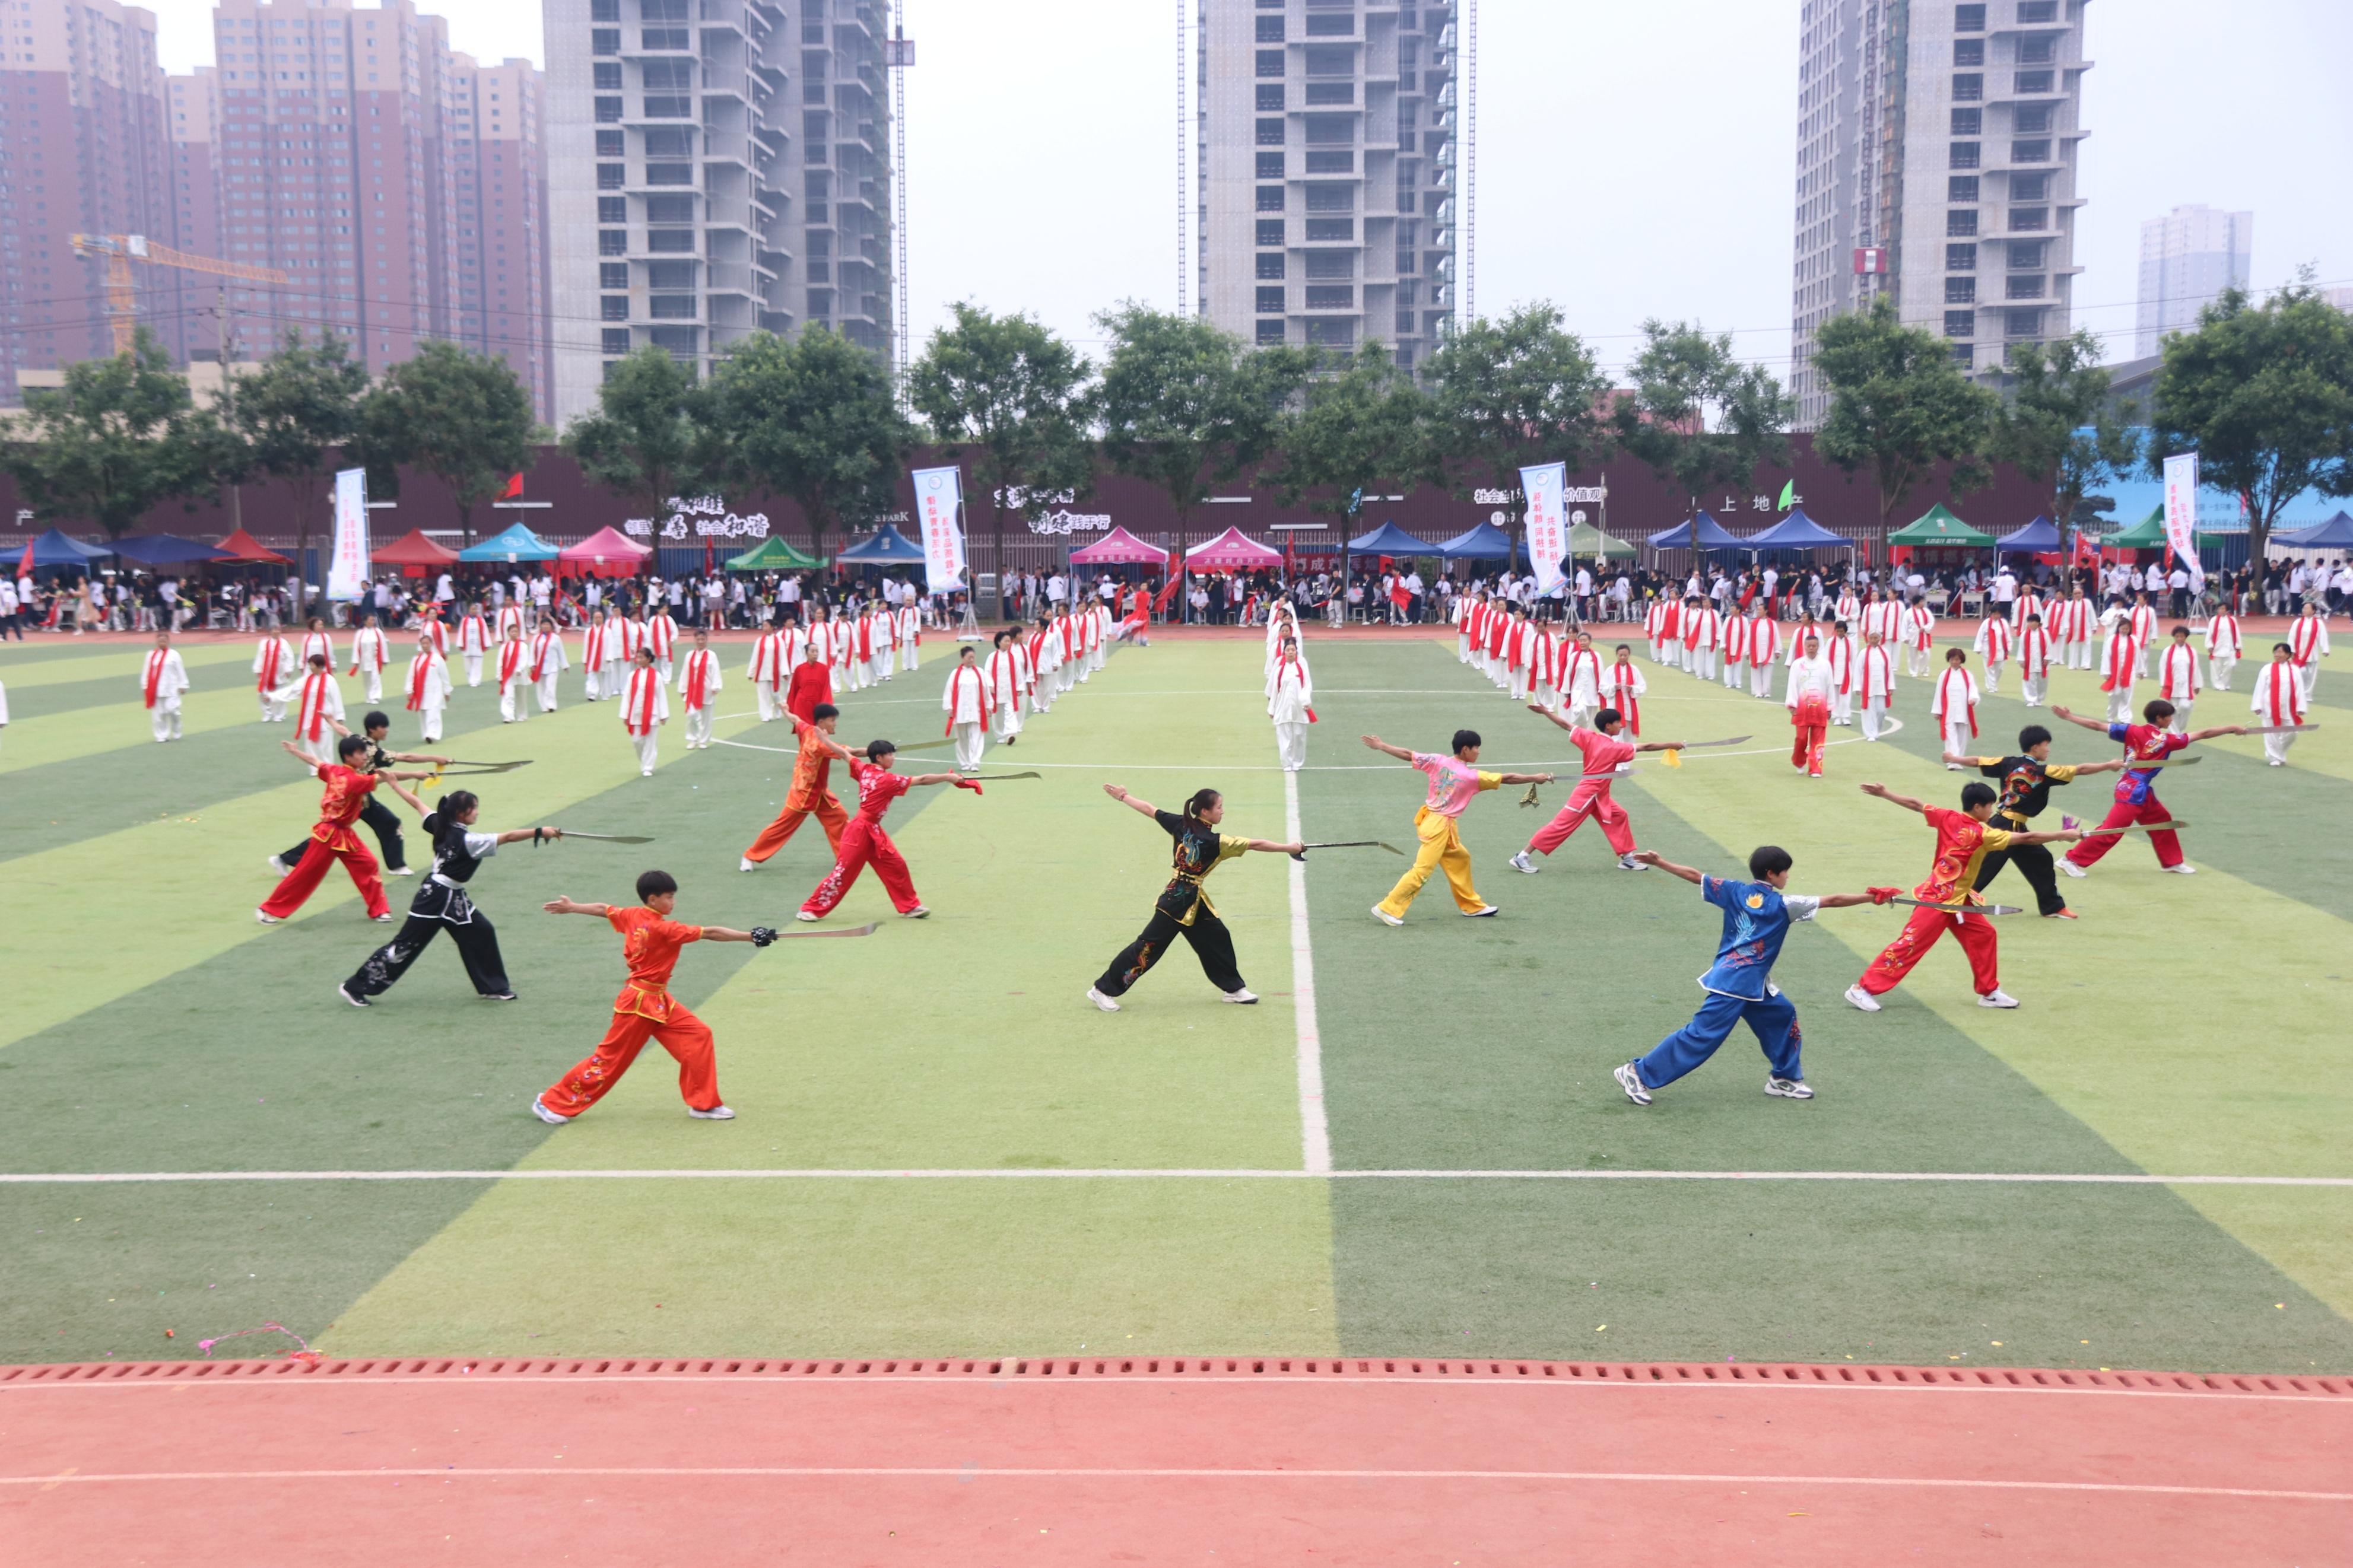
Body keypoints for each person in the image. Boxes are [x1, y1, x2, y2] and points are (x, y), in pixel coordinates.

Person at [1612, 845, 1887, 1106]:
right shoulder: (1785, 905)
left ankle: (1784, 1078)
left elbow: (1696, 877)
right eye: (1785, 871)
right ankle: (1636, 1073)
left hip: (1751, 984)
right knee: (1702, 1036)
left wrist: (1661, 863)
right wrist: (1871, 897)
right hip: (1735, 985)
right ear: (1771, 874)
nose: (1788, 876)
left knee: (1782, 1015)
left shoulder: (1734, 891)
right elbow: (1833, 900)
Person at [532, 870, 777, 1124]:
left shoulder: (632, 915)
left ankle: (703, 1104)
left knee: (697, 1035)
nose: (674, 902)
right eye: (670, 897)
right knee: (609, 1060)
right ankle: (551, 1102)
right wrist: (751, 936)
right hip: (638, 1005)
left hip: (657, 1000)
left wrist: (573, 907)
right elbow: (712, 933)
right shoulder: (665, 928)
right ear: (653, 900)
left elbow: (604, 909)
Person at [1841, 780, 2084, 1013]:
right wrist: (2062, 835)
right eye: (1989, 806)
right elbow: (2027, 839)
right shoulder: (1984, 834)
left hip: (1960, 901)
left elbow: (1917, 805)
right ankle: (1862, 989)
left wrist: (1885, 793)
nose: (1992, 810)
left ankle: (1989, 992)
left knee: (1984, 935)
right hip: (1936, 900)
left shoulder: (1947, 817)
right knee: (1911, 944)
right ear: (1978, 807)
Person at [1085, 784, 1304, 1012]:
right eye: (1219, 807)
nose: (1223, 811)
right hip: (1175, 904)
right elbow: (1257, 844)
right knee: (1148, 947)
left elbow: (1150, 809)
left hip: (1192, 900)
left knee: (1218, 937)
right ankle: (1102, 990)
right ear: (1205, 812)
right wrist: (1290, 848)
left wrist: (1124, 796)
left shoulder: (1181, 824)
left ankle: (1233, 989)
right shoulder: (1215, 842)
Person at [340, 791, 558, 1007]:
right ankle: (354, 987)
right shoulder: (470, 840)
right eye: (474, 808)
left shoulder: (441, 824)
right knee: (403, 947)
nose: (477, 813)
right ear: (462, 813)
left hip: (451, 897)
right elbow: (509, 837)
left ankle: (494, 988)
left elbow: (417, 803)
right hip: (434, 898)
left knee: (482, 931)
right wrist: (540, 831)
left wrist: (393, 784)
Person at [1363, 730, 1556, 924]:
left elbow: (1408, 754)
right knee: (1422, 870)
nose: (1479, 752)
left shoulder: (1437, 760)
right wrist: (1535, 777)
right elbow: (1509, 778)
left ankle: (1472, 906)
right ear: (1465, 750)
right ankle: (1387, 908)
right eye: (1476, 748)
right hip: (1440, 826)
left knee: (1460, 858)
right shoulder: (1470, 777)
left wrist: (1382, 746)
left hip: (1434, 820)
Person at [1947, 724, 2126, 920]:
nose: (2048, 749)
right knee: (1984, 867)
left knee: (2041, 859)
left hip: (2009, 823)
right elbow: (2081, 770)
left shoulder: (2008, 762)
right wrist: (2108, 765)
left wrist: (1954, 759)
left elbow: (1976, 761)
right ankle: (1952, 904)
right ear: (2035, 748)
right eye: (2045, 745)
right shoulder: (2044, 772)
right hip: (2004, 826)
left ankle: (2052, 907)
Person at [2051, 701, 2245, 878]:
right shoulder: (2166, 740)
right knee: (2112, 830)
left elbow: (2097, 726)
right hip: (2133, 792)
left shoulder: (2131, 730)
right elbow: (2204, 734)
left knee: (2162, 821)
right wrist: (2232, 728)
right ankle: (2071, 860)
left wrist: (2069, 717)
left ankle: (2172, 862)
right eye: (2169, 717)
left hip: (2136, 788)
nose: (2171, 720)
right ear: (2159, 718)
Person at [256, 734, 432, 925]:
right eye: (360, 753)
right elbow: (389, 778)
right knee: (305, 875)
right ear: (348, 757)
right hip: (328, 835)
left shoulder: (334, 771)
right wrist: (416, 775)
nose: (365, 756)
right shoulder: (355, 781)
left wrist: (295, 751)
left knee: (369, 864)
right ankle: (267, 910)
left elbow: (315, 761)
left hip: (343, 833)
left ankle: (379, 911)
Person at [797, 738, 979, 921]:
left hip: (872, 829)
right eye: (890, 755)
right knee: (843, 872)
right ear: (879, 757)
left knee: (895, 865)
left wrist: (823, 738)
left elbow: (845, 754)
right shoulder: (887, 780)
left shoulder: (864, 769)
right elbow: (923, 780)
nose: (893, 758)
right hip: (860, 831)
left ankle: (911, 906)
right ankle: (810, 909)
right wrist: (949, 777)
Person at [270, 708, 449, 880]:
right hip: (358, 799)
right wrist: (433, 761)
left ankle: (285, 858)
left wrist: (331, 720)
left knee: (341, 833)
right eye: (383, 727)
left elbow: (343, 731)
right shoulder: (375, 753)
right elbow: (405, 760)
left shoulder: (357, 741)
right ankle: (397, 866)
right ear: (373, 729)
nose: (387, 730)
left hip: (358, 796)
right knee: (380, 825)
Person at [1510, 706, 1685, 874]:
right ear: (1609, 726)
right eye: (1618, 722)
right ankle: (1522, 857)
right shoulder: (1615, 748)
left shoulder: (1590, 737)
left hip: (1599, 796)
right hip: (1587, 795)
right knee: (1560, 826)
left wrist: (1546, 712)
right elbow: (1646, 747)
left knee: (1619, 815)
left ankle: (1627, 858)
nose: (1621, 725)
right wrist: (1672, 744)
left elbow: (1566, 725)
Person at [740, 702, 852, 871]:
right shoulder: (822, 745)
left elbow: (795, 719)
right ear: (822, 723)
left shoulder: (807, 729)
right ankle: (750, 856)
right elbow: (850, 753)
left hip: (820, 792)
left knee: (839, 817)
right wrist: (874, 751)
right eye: (832, 720)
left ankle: (846, 859)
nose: (835, 723)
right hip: (803, 794)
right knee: (781, 828)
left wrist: (785, 710)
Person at [1784, 631, 1838, 777]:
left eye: (1814, 646)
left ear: (1818, 646)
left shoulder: (1825, 665)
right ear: (1804, 646)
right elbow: (1792, 685)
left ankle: (1815, 768)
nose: (1811, 649)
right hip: (1802, 707)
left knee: (1818, 739)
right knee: (1801, 738)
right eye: (1809, 646)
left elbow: (1829, 686)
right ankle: (1799, 760)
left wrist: (1830, 707)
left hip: (1820, 708)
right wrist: (1792, 705)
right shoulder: (1798, 665)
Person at [282, 652, 346, 764]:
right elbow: (291, 691)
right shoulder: (306, 680)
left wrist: (339, 719)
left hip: (325, 721)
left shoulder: (330, 680)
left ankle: (328, 767)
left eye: (312, 665)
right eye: (310, 665)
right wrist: (272, 697)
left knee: (326, 748)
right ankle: (314, 768)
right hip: (310, 719)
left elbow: (337, 699)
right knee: (311, 747)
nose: (311, 668)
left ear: (320, 666)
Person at [2250, 642, 2305, 766]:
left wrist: (2301, 707)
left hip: (2288, 707)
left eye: (2281, 652)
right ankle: (2274, 758)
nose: (2278, 655)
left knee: (2292, 733)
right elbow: (2260, 688)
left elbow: (2299, 689)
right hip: (2269, 706)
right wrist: (2257, 705)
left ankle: (2280, 752)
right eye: (2276, 652)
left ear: (2288, 655)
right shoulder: (2267, 669)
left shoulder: (2295, 671)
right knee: (2271, 733)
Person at [620, 646, 669, 777]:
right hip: (636, 713)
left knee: (650, 741)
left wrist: (663, 714)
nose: (639, 660)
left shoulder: (656, 676)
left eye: (642, 657)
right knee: (637, 740)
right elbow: (628, 695)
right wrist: (625, 714)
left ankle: (648, 766)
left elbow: (661, 695)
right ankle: (645, 761)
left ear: (649, 659)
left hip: (651, 713)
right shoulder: (632, 675)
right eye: (638, 657)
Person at [942, 644, 991, 774]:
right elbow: (949, 691)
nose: (972, 660)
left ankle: (975, 762)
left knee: (976, 737)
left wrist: (989, 706)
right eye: (969, 657)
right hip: (960, 711)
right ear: (963, 658)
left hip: (977, 711)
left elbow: (985, 690)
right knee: (961, 738)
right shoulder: (955, 674)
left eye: (973, 657)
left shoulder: (980, 672)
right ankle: (964, 762)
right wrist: (949, 707)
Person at [1268, 633, 1314, 772]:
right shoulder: (1279, 671)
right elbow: (1275, 691)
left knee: (1299, 736)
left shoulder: (1301, 669)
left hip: (1299, 708)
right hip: (1283, 707)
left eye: (1293, 650)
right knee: (1284, 737)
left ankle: (1297, 762)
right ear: (1284, 652)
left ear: (1296, 652)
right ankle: (1286, 763)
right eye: (1288, 650)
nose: (1290, 652)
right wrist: (1272, 709)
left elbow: (1307, 686)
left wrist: (1306, 701)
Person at [1930, 647, 1981, 769]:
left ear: (1961, 660)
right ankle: (1952, 761)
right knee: (1950, 736)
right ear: (1949, 660)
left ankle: (1960, 760)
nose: (1954, 662)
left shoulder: (1967, 675)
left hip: (1963, 710)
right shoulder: (1944, 675)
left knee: (1962, 736)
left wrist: (1973, 699)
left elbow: (1973, 689)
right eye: (1952, 659)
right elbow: (1939, 693)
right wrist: (1937, 711)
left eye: (1957, 659)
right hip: (1949, 711)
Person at [140, 630, 190, 743]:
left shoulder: (174, 655)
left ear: (168, 641)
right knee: (159, 715)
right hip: (156, 689)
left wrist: (183, 685)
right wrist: (145, 685)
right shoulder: (151, 655)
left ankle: (177, 731)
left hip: (171, 688)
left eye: (164, 641)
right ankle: (161, 735)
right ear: (157, 641)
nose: (162, 643)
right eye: (160, 640)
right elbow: (146, 671)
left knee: (173, 711)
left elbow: (180, 670)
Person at [404, 632, 455, 743]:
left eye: (427, 643)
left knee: (434, 712)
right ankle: (426, 734)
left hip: (435, 691)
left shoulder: (437, 659)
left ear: (431, 644)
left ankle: (432, 734)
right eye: (423, 644)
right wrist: (409, 690)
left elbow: (445, 676)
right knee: (424, 713)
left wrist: (447, 691)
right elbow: (411, 675)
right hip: (421, 691)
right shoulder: (416, 660)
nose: (425, 646)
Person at [677, 627, 722, 749]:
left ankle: (703, 740)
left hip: (707, 690)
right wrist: (683, 689)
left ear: (707, 640)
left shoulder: (712, 656)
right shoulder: (690, 655)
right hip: (692, 690)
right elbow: (685, 672)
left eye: (703, 639)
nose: (701, 642)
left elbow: (716, 671)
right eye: (698, 639)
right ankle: (692, 738)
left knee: (706, 717)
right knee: (691, 715)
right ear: (695, 640)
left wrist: (716, 686)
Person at [984, 628, 1030, 747]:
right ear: (999, 642)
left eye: (1009, 641)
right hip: (997, 690)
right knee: (998, 714)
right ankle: (1000, 735)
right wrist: (990, 685)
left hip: (1010, 690)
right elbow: (987, 673)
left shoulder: (1013, 657)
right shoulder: (992, 657)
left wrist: (1020, 686)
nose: (1008, 643)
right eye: (1006, 641)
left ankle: (1011, 734)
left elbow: (1018, 673)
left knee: (1010, 712)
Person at [2155, 624, 2201, 733]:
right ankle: (2175, 734)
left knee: (2185, 706)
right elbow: (2163, 667)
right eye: (2177, 636)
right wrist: (2164, 684)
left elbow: (2196, 668)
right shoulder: (2168, 651)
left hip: (2186, 685)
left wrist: (2197, 685)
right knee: (2172, 710)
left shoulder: (2192, 651)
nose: (2179, 639)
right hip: (2172, 685)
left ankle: (2180, 729)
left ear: (2186, 637)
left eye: (2182, 636)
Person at [1857, 629, 1897, 742]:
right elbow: (1858, 670)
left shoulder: (1885, 653)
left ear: (1880, 639)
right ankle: (1870, 733)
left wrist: (1891, 687)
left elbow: (1889, 670)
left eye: (1876, 638)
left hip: (1881, 687)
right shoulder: (1863, 653)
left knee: (1881, 711)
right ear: (1868, 639)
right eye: (1872, 638)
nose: (1874, 641)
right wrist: (1857, 687)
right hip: (1868, 687)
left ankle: (1876, 731)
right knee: (1868, 711)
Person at [1598, 644, 1645, 736]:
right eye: (1621, 655)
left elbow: (1642, 687)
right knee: (1616, 734)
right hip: (1614, 706)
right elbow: (1602, 688)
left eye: (1625, 655)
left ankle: (1629, 750)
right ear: (1617, 655)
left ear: (1629, 655)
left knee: (1629, 735)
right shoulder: (1610, 670)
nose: (1623, 658)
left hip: (1630, 707)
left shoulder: (1634, 670)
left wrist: (1632, 689)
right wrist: (1613, 688)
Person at [252, 625, 295, 721]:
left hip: (280, 673)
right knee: (263, 694)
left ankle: (279, 715)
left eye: (278, 630)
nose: (277, 632)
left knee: (280, 694)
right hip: (266, 674)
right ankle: (267, 713)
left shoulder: (284, 643)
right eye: (275, 630)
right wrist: (257, 669)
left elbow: (290, 657)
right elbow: (260, 657)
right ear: (270, 631)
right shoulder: (264, 643)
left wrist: (289, 669)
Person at [2288, 602, 2329, 702]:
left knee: (2311, 675)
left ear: (2313, 611)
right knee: (2298, 673)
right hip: (2299, 653)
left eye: (2307, 608)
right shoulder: (2297, 622)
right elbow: (2292, 636)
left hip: (2312, 653)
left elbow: (2323, 636)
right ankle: (2297, 693)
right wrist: (2291, 650)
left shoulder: (2319, 623)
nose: (2304, 610)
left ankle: (2307, 694)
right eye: (2304, 608)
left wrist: (2325, 649)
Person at [529, 616, 570, 714]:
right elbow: (532, 652)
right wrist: (532, 664)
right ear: (541, 626)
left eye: (548, 625)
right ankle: (544, 706)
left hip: (552, 667)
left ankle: (551, 705)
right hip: (540, 666)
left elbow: (561, 652)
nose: (546, 626)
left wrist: (565, 665)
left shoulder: (556, 638)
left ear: (551, 626)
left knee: (550, 687)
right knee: (541, 688)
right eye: (544, 625)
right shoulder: (536, 639)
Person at [349, 612, 390, 704]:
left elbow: (383, 646)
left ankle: (375, 696)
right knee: (366, 678)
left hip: (375, 659)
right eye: (371, 620)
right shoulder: (360, 633)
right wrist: (356, 660)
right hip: (364, 659)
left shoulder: (378, 632)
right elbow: (356, 647)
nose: (373, 621)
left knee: (375, 678)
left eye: (373, 620)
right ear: (365, 621)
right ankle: (368, 696)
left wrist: (385, 659)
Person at [2017, 612, 2054, 709]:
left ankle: (2039, 699)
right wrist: (2022, 660)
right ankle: (2030, 699)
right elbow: (2021, 648)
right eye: (2029, 622)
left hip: (2042, 662)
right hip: (2030, 663)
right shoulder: (2024, 634)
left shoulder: (2045, 633)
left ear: (2038, 623)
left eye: (2033, 622)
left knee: (2042, 682)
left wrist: (2047, 658)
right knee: (2030, 681)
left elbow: (2049, 646)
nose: (2031, 624)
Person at [496, 625, 531, 724]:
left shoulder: (523, 646)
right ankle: (508, 716)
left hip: (520, 675)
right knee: (508, 695)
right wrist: (499, 675)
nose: (514, 633)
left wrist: (520, 669)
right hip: (508, 674)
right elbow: (500, 662)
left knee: (521, 696)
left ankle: (522, 715)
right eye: (512, 631)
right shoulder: (504, 647)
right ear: (509, 633)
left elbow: (524, 659)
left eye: (516, 631)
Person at [2204, 603, 2242, 692]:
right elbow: (2209, 633)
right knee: (2216, 668)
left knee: (2231, 665)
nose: (2221, 611)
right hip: (2217, 647)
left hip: (2230, 647)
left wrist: (2238, 645)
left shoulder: (2232, 620)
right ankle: (2218, 684)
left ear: (2227, 610)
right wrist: (2209, 645)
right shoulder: (2214, 620)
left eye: (2223, 609)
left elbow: (2237, 633)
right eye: (2219, 609)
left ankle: (2225, 683)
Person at [1973, 611, 2011, 695]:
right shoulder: (1986, 623)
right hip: (1988, 650)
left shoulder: (2004, 623)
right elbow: (1980, 635)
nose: (1996, 616)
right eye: (1995, 614)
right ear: (1991, 614)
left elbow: (2008, 635)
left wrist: (2009, 647)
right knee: (1989, 669)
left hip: (2001, 650)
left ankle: (1992, 683)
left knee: (2000, 669)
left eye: (1998, 614)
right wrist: (1978, 648)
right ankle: (1992, 687)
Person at [456, 602, 493, 686]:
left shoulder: (481, 620)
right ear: (469, 610)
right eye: (472, 609)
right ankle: (470, 679)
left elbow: (485, 632)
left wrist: (487, 644)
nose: (474, 611)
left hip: (477, 645)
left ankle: (476, 680)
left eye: (475, 609)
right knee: (468, 664)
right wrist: (460, 644)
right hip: (467, 645)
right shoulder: (465, 620)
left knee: (477, 663)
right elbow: (461, 632)